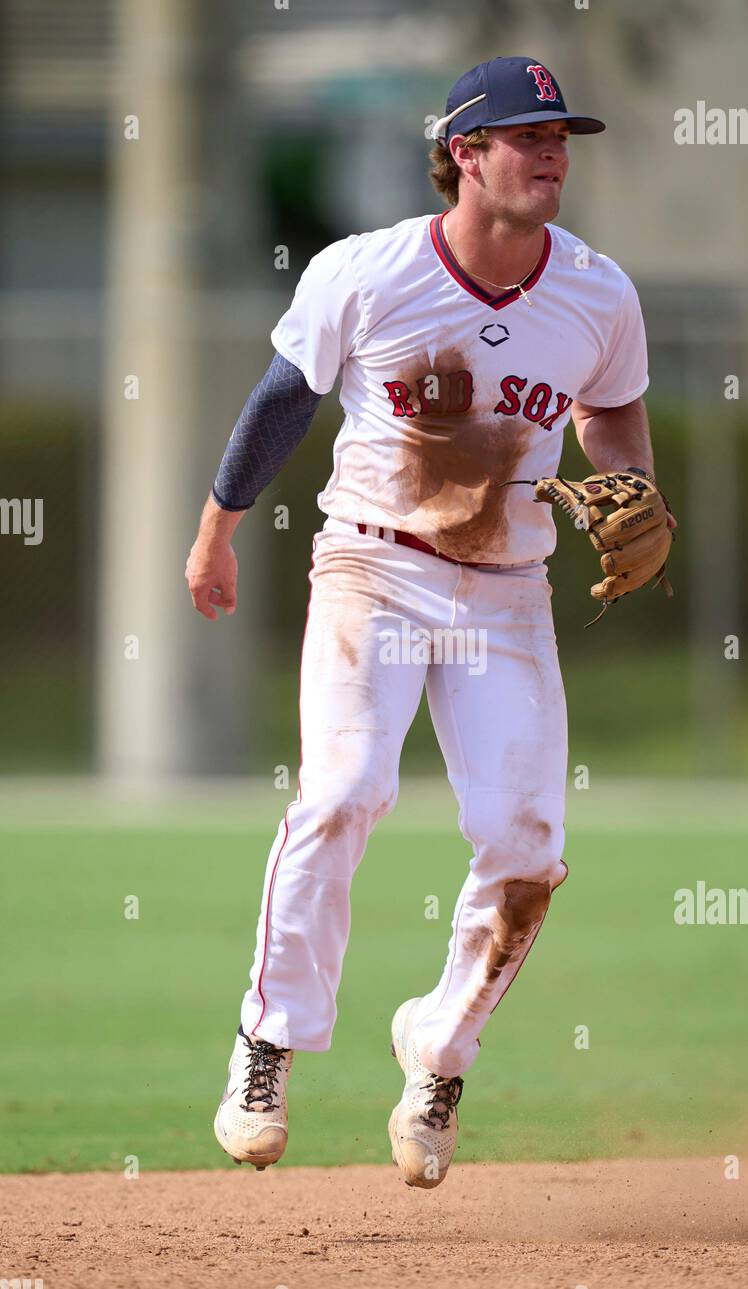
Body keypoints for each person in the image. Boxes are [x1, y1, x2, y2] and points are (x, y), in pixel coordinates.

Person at [185, 56, 674, 1190]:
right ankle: (267, 1041)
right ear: (465, 154)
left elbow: (610, 415)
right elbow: (283, 401)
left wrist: (637, 487)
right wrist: (216, 531)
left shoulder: (597, 291)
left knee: (527, 845)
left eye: (560, 137)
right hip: (374, 566)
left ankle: (439, 1051)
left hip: (507, 590)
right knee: (344, 790)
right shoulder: (367, 271)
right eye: (528, 135)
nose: (551, 154)